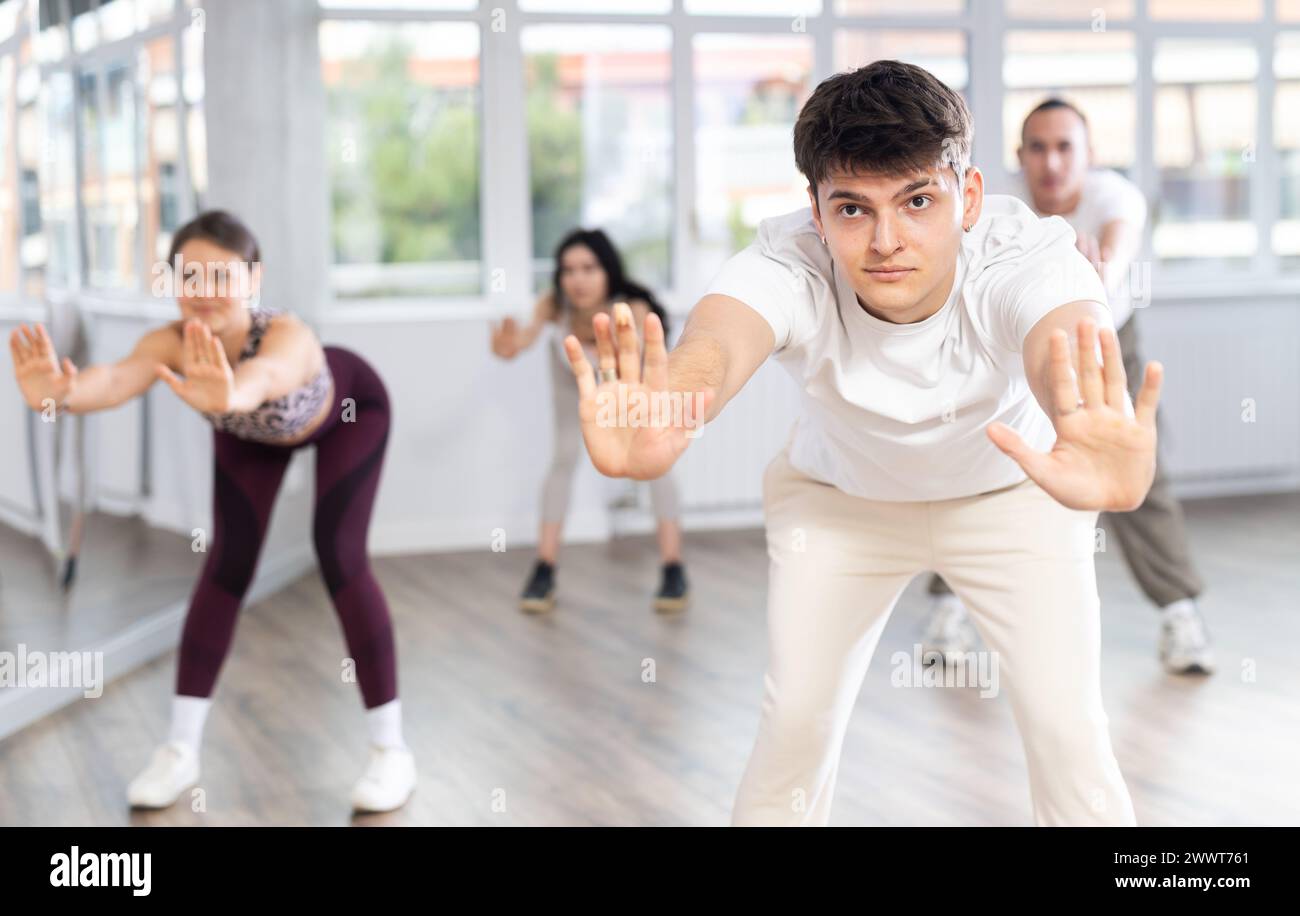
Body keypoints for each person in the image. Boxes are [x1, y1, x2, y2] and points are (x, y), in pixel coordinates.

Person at [561, 61, 1162, 826]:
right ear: (815, 210)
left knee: (1069, 733)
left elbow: (1059, 334)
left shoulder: (1027, 252)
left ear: (968, 197)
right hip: (840, 507)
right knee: (795, 729)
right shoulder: (787, 262)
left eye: (917, 201)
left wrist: (1078, 412)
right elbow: (718, 339)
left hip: (1012, 503)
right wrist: (670, 409)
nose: (886, 241)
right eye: (852, 209)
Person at [8, 210, 416, 813]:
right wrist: (60, 396)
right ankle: (179, 749)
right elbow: (117, 380)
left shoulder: (287, 335)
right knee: (227, 566)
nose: (204, 292)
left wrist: (233, 394)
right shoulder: (173, 341)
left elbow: (268, 375)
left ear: (254, 279)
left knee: (340, 555)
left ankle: (391, 752)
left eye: (222, 277)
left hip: (350, 413)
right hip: (251, 434)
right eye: (190, 276)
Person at [922, 98, 1213, 676]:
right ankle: (948, 608)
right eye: (1037, 147)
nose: (1051, 162)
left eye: (1064, 148)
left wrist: (1099, 266)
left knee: (1132, 468)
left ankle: (1180, 613)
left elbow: (1121, 237)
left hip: (1103, 337)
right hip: (1006, 339)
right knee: (978, 457)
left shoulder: (1115, 197)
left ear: (1089, 156)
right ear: (1020, 155)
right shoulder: (994, 198)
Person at [490, 228, 689, 614]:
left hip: (630, 386)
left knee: (656, 464)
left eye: (588, 268)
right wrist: (508, 348)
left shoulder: (631, 309)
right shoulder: (554, 306)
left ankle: (673, 567)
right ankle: (544, 568)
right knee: (563, 459)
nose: (576, 280)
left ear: (608, 271)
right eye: (568, 270)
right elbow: (525, 339)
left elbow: (651, 354)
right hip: (572, 379)